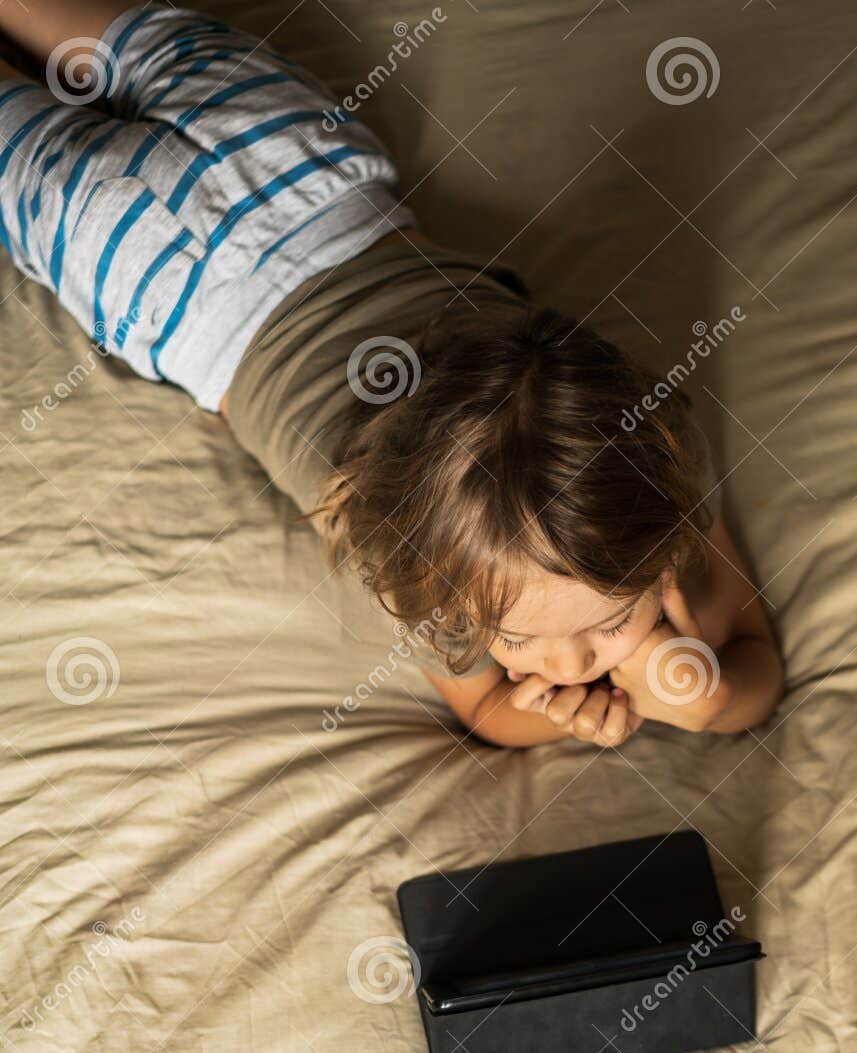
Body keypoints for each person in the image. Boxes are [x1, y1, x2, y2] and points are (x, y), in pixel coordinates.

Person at [0, 1, 784, 748]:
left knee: (80, 25)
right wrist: (659, 701)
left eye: (609, 623)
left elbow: (752, 675)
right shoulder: (414, 552)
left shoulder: (648, 459)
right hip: (151, 269)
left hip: (290, 153)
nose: (573, 664)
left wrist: (698, 693)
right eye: (516, 637)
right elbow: (486, 710)